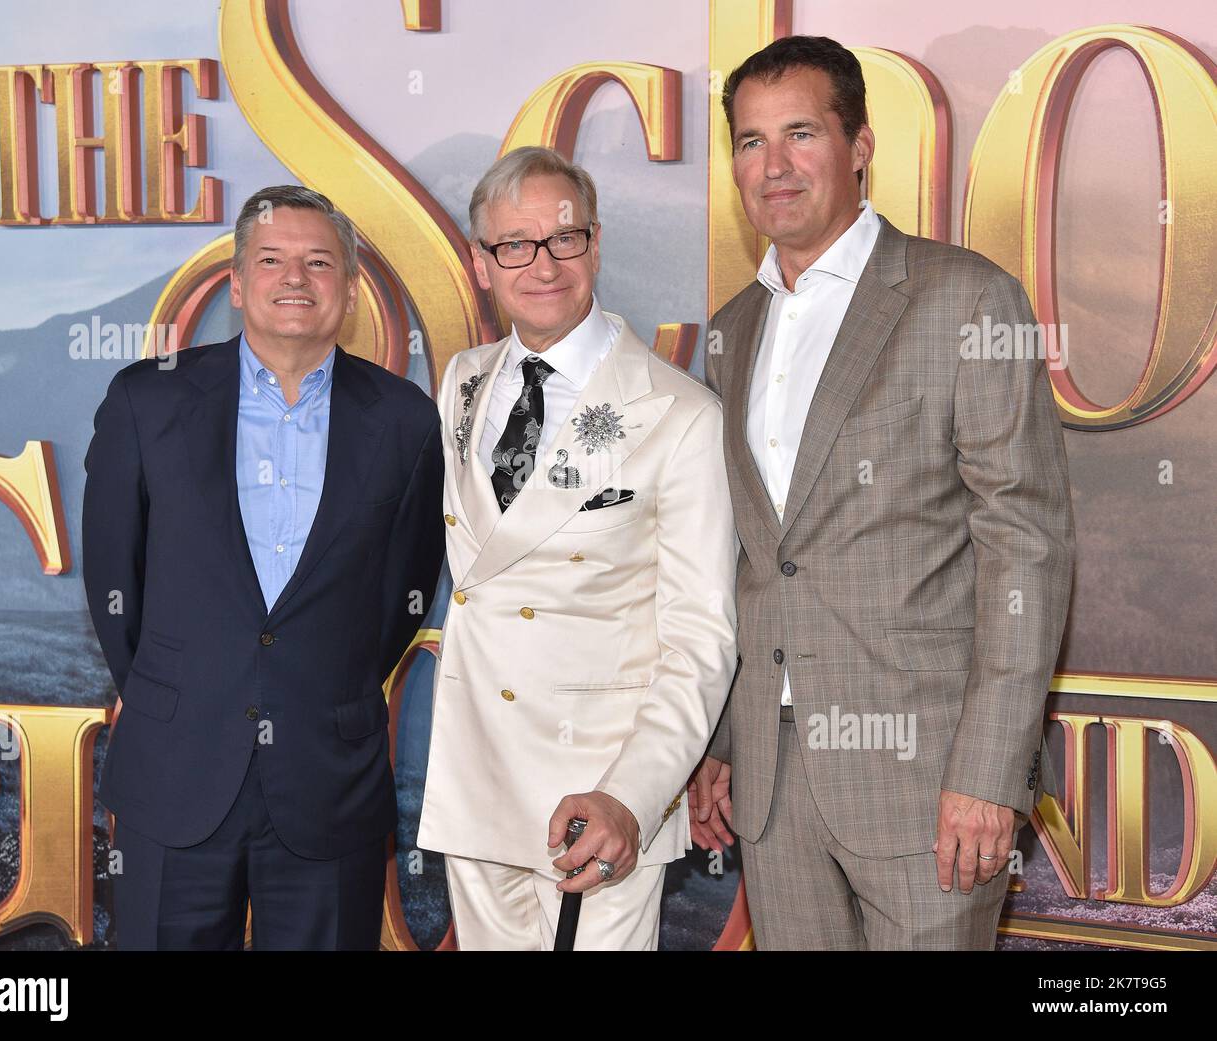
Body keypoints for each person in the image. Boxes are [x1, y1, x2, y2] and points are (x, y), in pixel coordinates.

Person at [690, 36, 1074, 950]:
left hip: (928, 777)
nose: (774, 166)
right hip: (772, 787)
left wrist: (990, 770)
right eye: (750, 142)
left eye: (800, 134)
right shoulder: (732, 330)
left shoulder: (966, 300)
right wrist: (724, 743)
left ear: (860, 145)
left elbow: (1028, 545)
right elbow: (752, 556)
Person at [83, 185, 445, 949]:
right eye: (272, 259)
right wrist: (182, 686)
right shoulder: (147, 401)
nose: (295, 279)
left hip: (329, 781)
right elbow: (116, 582)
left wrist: (315, 675)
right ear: (238, 283)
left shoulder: (405, 419)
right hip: (176, 771)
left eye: (319, 262)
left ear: (349, 291)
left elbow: (400, 598)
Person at [418, 146, 737, 950]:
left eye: (564, 239)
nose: (543, 264)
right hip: (475, 776)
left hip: (595, 795)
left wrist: (634, 794)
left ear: (595, 244)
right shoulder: (462, 379)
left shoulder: (680, 412)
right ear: (482, 262)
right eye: (514, 245)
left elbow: (702, 637)